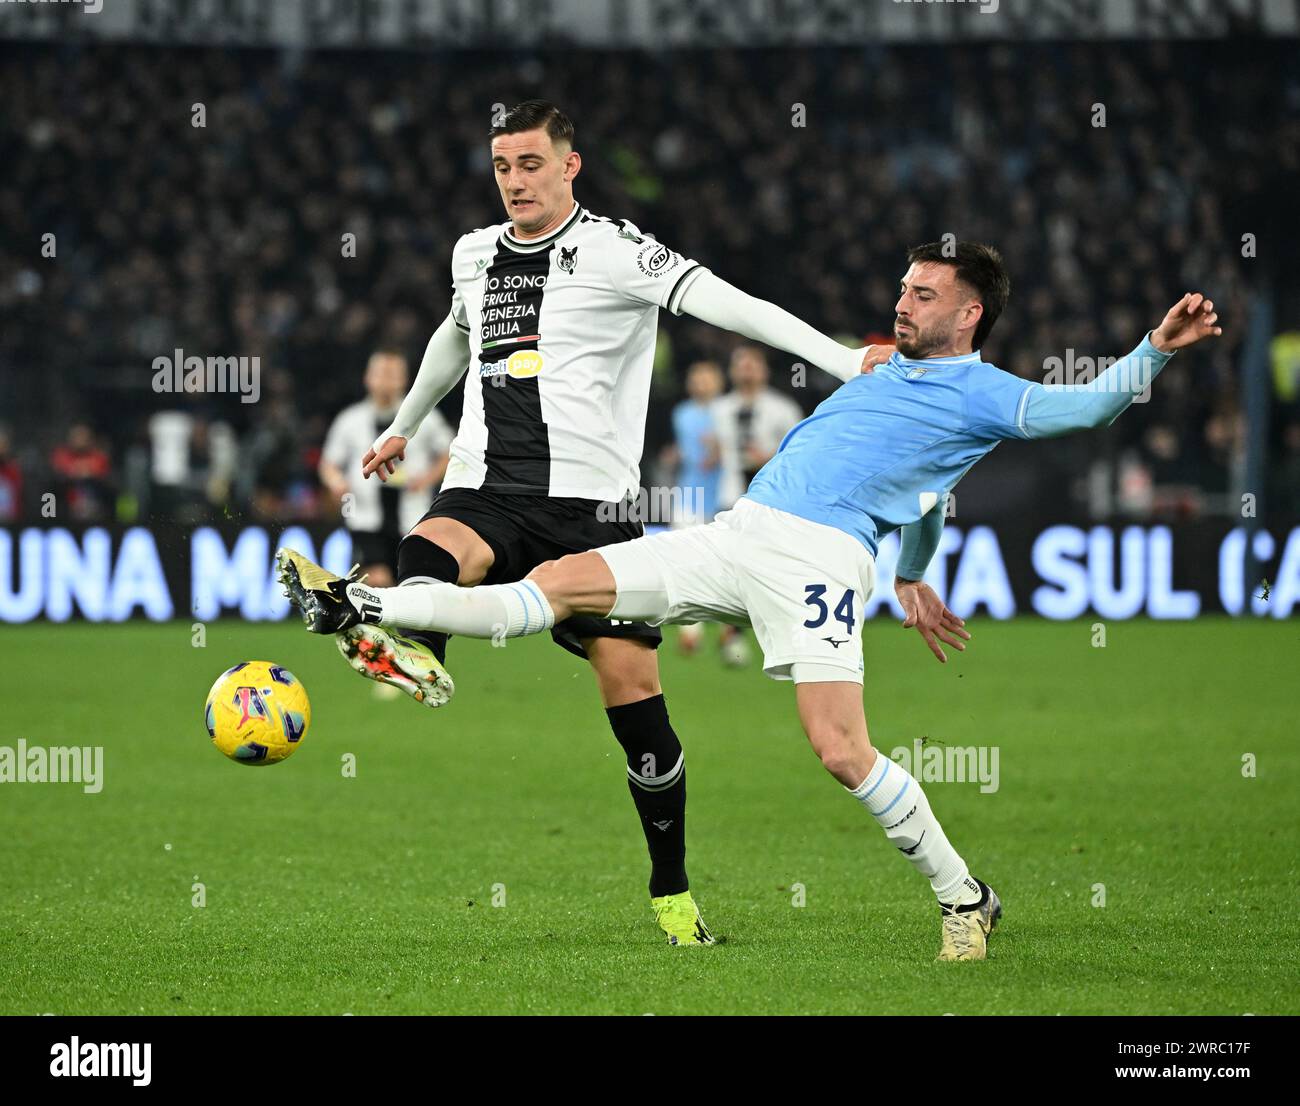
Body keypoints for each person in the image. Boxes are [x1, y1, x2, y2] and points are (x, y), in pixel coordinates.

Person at [278, 242, 1221, 960]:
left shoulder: (982, 392)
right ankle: (372, 609)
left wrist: (1152, 351)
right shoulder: (882, 369)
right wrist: (912, 574)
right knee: (557, 586)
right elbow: (930, 496)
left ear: (970, 314)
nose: (902, 301)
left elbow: (1086, 409)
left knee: (841, 751)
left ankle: (963, 895)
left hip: (816, 563)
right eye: (902, 286)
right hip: (740, 534)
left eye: (923, 294)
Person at [284, 99, 886, 947]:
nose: (515, 182)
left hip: (592, 511)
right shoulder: (474, 256)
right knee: (430, 549)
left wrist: (839, 357)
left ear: (570, 166)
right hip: (487, 484)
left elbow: (725, 301)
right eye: (502, 166)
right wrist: (403, 424)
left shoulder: (616, 250)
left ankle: (671, 891)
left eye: (531, 164)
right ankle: (413, 654)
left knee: (635, 698)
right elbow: (452, 339)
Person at [320, 348, 452, 587]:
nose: (386, 380)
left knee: (407, 585)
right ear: (367, 377)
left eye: (392, 374)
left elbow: (449, 452)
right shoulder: (350, 420)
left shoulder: (426, 418)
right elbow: (328, 464)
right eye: (380, 373)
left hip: (412, 518)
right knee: (378, 579)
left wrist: (428, 479)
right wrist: (336, 482)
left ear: (405, 379)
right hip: (364, 518)